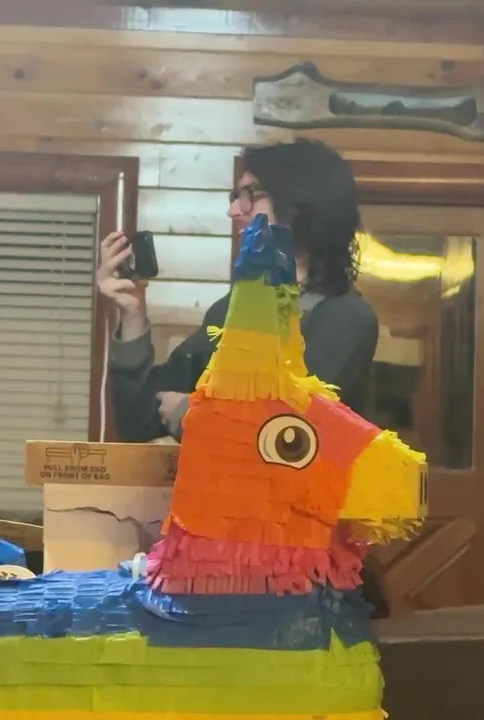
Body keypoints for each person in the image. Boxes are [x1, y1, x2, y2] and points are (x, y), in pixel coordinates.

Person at [96, 138, 391, 617]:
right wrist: (133, 314)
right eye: (236, 196)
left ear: (301, 203)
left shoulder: (345, 317)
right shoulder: (229, 312)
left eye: (250, 194)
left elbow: (283, 437)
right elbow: (138, 423)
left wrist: (188, 412)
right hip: (213, 563)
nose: (234, 209)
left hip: (298, 574)